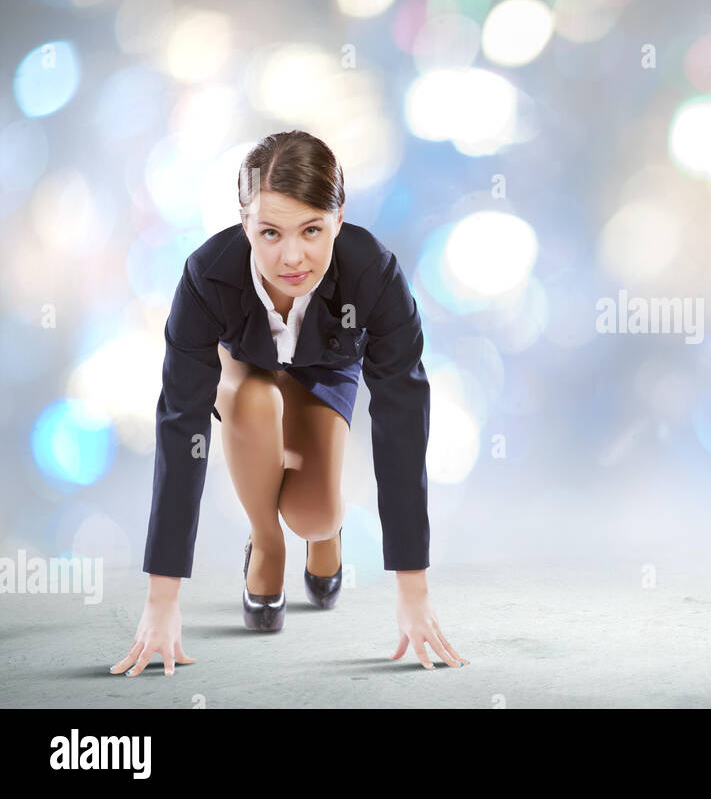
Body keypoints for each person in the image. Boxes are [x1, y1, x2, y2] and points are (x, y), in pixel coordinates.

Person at [111, 130, 466, 675]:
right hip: (247, 365)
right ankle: (265, 543)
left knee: (316, 514)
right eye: (270, 232)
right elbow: (182, 425)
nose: (292, 256)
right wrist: (163, 600)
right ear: (244, 222)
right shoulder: (207, 277)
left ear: (340, 217)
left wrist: (412, 587)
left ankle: (325, 535)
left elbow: (402, 417)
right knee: (253, 402)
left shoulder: (375, 273)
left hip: (325, 368)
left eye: (312, 230)